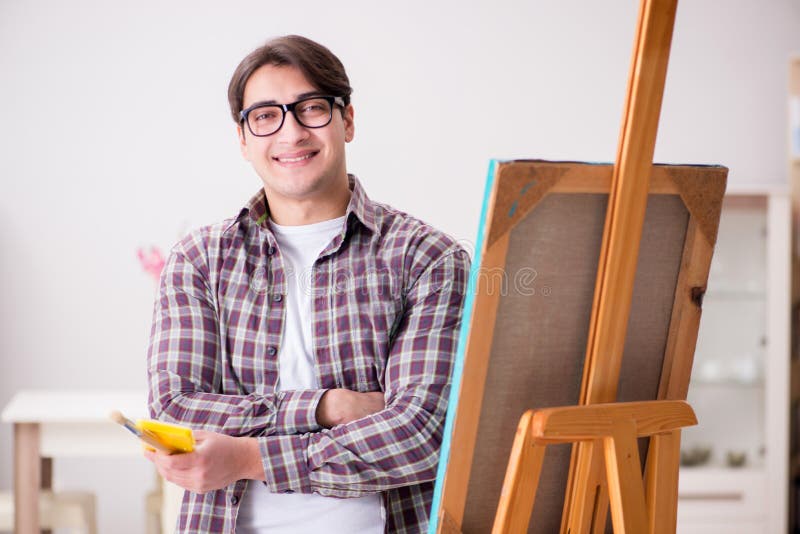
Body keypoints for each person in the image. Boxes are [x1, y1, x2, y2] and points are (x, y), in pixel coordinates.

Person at [145, 34, 470, 534]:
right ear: (243, 139)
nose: (291, 133)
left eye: (311, 108)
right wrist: (324, 406)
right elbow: (175, 409)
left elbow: (422, 433)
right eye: (265, 116)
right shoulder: (200, 260)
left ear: (348, 120)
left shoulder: (427, 258)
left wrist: (249, 457)